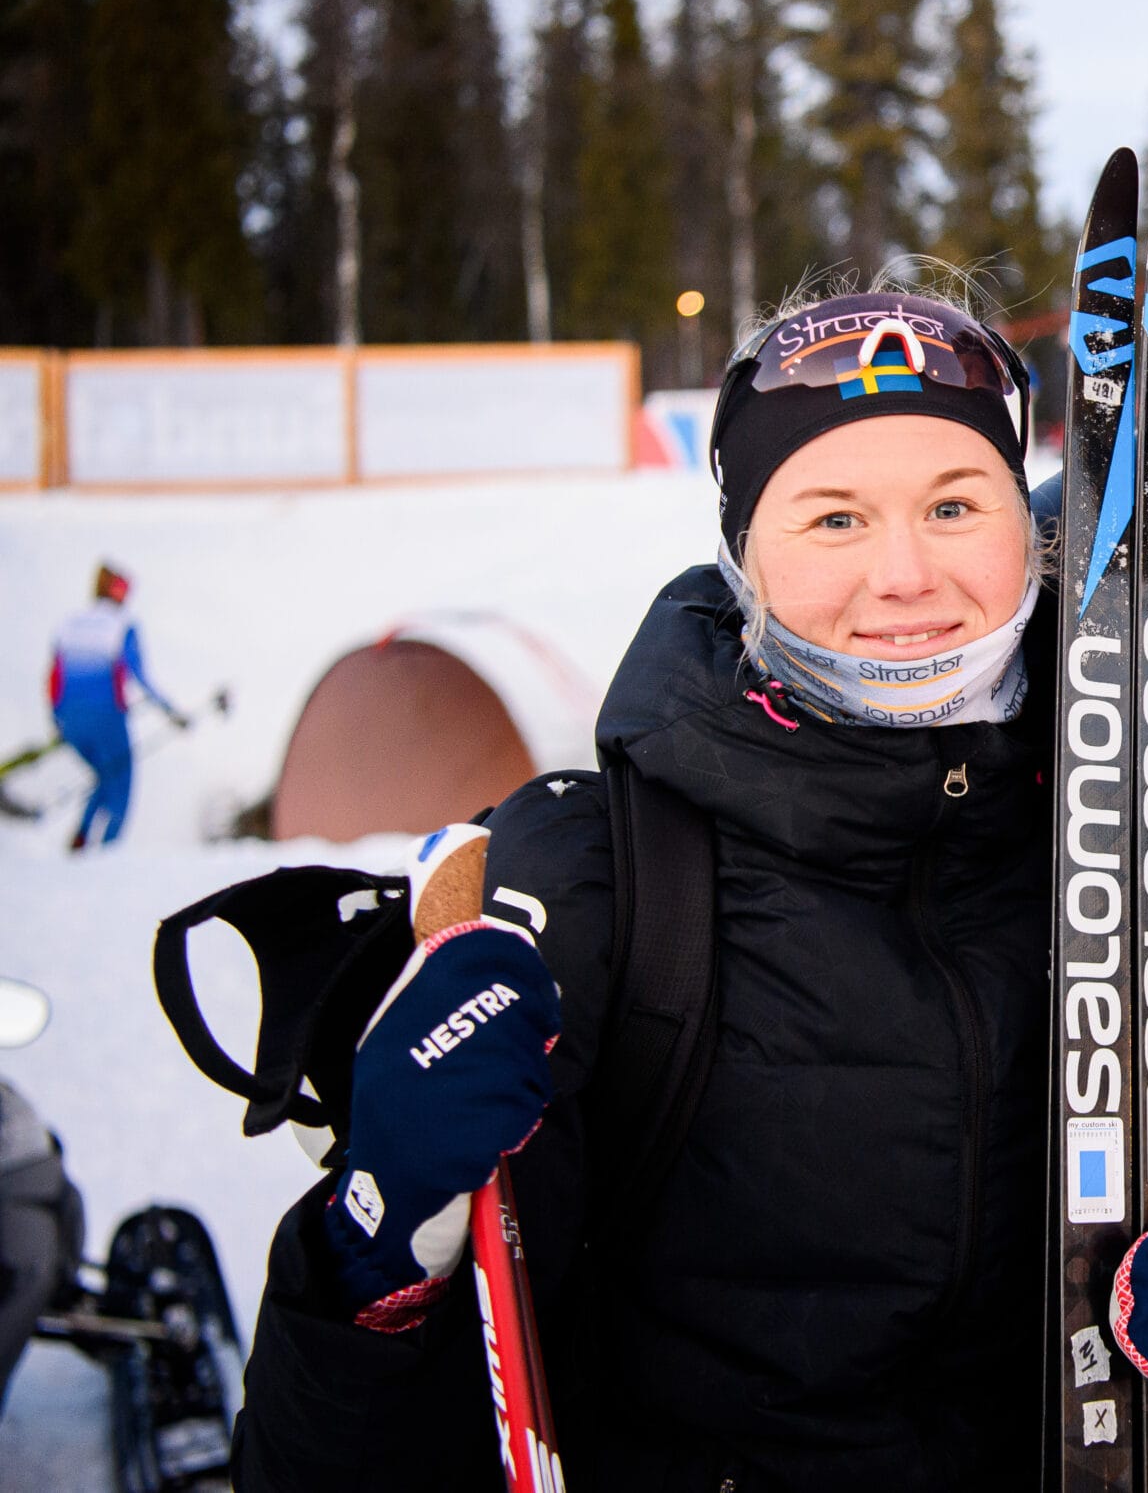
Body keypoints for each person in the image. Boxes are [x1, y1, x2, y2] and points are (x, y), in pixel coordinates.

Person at [231, 288, 1064, 1491]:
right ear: (744, 553)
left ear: (1022, 520)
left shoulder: (1119, 836)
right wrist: (376, 1256)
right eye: (833, 518)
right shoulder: (596, 884)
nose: (904, 575)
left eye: (952, 504)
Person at [49, 562, 185, 851]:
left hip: (68, 719)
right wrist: (171, 712)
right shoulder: (122, 625)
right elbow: (140, 677)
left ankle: (81, 838)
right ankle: (108, 851)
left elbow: (54, 676)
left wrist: (57, 721)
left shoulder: (69, 622)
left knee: (102, 776)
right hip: (106, 716)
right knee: (121, 780)